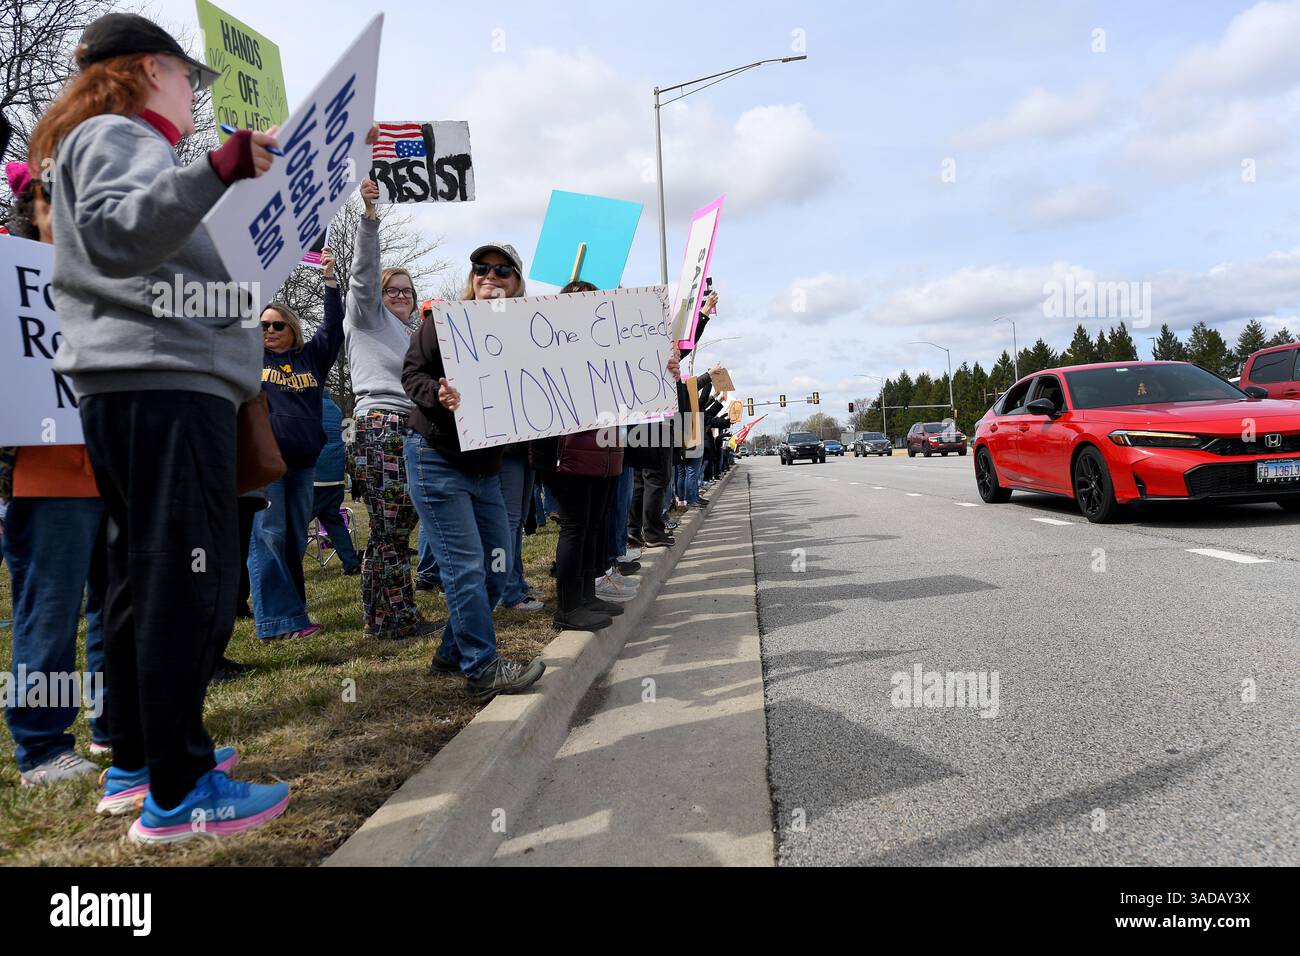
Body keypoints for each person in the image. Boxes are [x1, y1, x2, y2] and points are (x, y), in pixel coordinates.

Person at [31, 12, 289, 842]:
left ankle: (139, 762)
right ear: (150, 69)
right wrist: (218, 166)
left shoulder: (108, 143)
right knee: (188, 584)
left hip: (142, 385)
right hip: (165, 387)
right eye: (188, 78)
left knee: (143, 582)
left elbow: (152, 245)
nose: (193, 96)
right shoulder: (119, 134)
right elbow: (117, 231)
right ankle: (179, 796)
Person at [1, 159, 109, 784]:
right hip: (48, 478)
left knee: (113, 605)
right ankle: (41, 746)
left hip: (113, 471)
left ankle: (113, 726)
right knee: (51, 609)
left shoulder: (106, 275)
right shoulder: (9, 271)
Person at [402, 243, 545, 700]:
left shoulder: (531, 332)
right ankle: (482, 668)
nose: (490, 276)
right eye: (482, 268)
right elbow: (412, 374)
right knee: (464, 565)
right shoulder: (442, 322)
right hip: (436, 457)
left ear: (517, 282)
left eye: (502, 271)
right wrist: (437, 397)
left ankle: (452, 650)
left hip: (487, 467)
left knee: (499, 568)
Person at [345, 174, 437, 638]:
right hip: (380, 425)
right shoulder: (366, 317)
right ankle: (384, 620)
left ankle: (397, 612)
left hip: (411, 425)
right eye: (392, 290)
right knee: (387, 527)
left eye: (408, 291)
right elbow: (363, 273)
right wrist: (369, 218)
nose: (401, 296)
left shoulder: (409, 333)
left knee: (400, 525)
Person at [247, 246, 345, 640]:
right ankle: (276, 622)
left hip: (303, 464)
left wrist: (330, 282)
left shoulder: (310, 360)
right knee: (267, 536)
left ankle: (294, 614)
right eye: (263, 326)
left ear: (292, 330)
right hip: (266, 463)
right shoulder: (251, 359)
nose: (268, 331)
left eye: (277, 326)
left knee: (291, 537)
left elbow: (333, 328)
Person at [310, 394, 360, 575]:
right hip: (336, 477)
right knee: (334, 522)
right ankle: (351, 562)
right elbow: (348, 440)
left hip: (315, 476)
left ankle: (288, 570)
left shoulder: (309, 404)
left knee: (297, 525)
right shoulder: (336, 410)